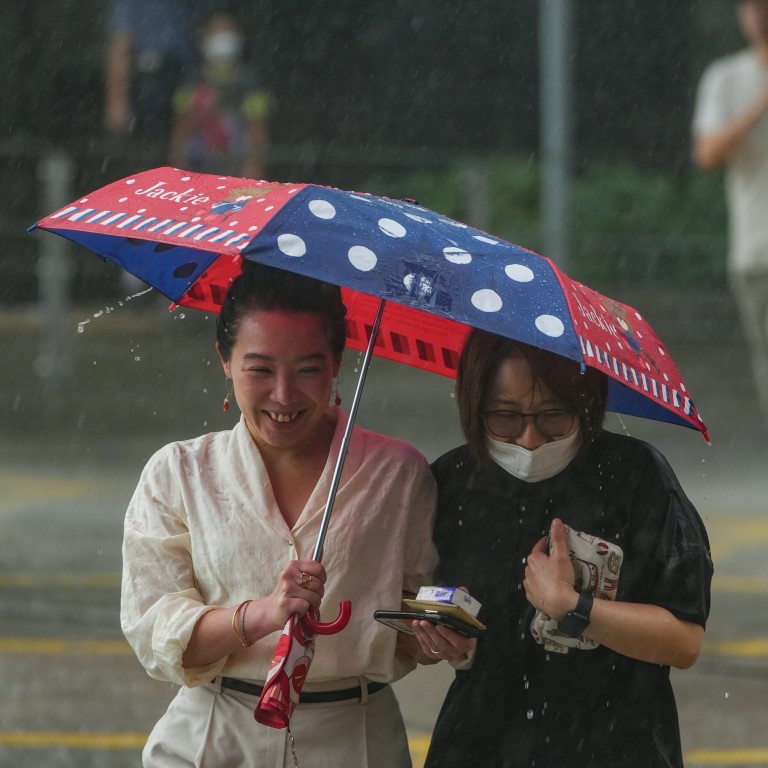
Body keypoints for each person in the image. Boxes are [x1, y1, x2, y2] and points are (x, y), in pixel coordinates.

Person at [120, 261, 438, 767]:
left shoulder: (398, 473)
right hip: (211, 737)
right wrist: (260, 615)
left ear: (337, 363)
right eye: (260, 370)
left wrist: (438, 637)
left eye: (307, 369)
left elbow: (417, 617)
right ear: (225, 361)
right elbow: (156, 632)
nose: (284, 395)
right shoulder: (178, 473)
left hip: (355, 741)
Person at [411, 330, 713, 767]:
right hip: (480, 744)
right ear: (474, 408)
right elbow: (418, 630)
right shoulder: (452, 483)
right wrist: (440, 644)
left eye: (554, 416)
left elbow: (684, 642)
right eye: (505, 417)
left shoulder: (635, 476)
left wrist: (575, 607)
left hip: (615, 746)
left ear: (586, 404)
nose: (530, 438)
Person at [692, 0, 768, 428]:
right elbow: (707, 152)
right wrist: (760, 105)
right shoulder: (726, 76)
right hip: (758, 253)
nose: (758, 12)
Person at [170, 12, 271, 178]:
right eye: (216, 31)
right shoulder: (191, 81)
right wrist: (178, 167)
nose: (222, 38)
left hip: (236, 164)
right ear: (203, 39)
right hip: (198, 165)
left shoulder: (250, 83)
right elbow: (181, 127)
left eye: (227, 31)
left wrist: (254, 166)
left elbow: (257, 127)